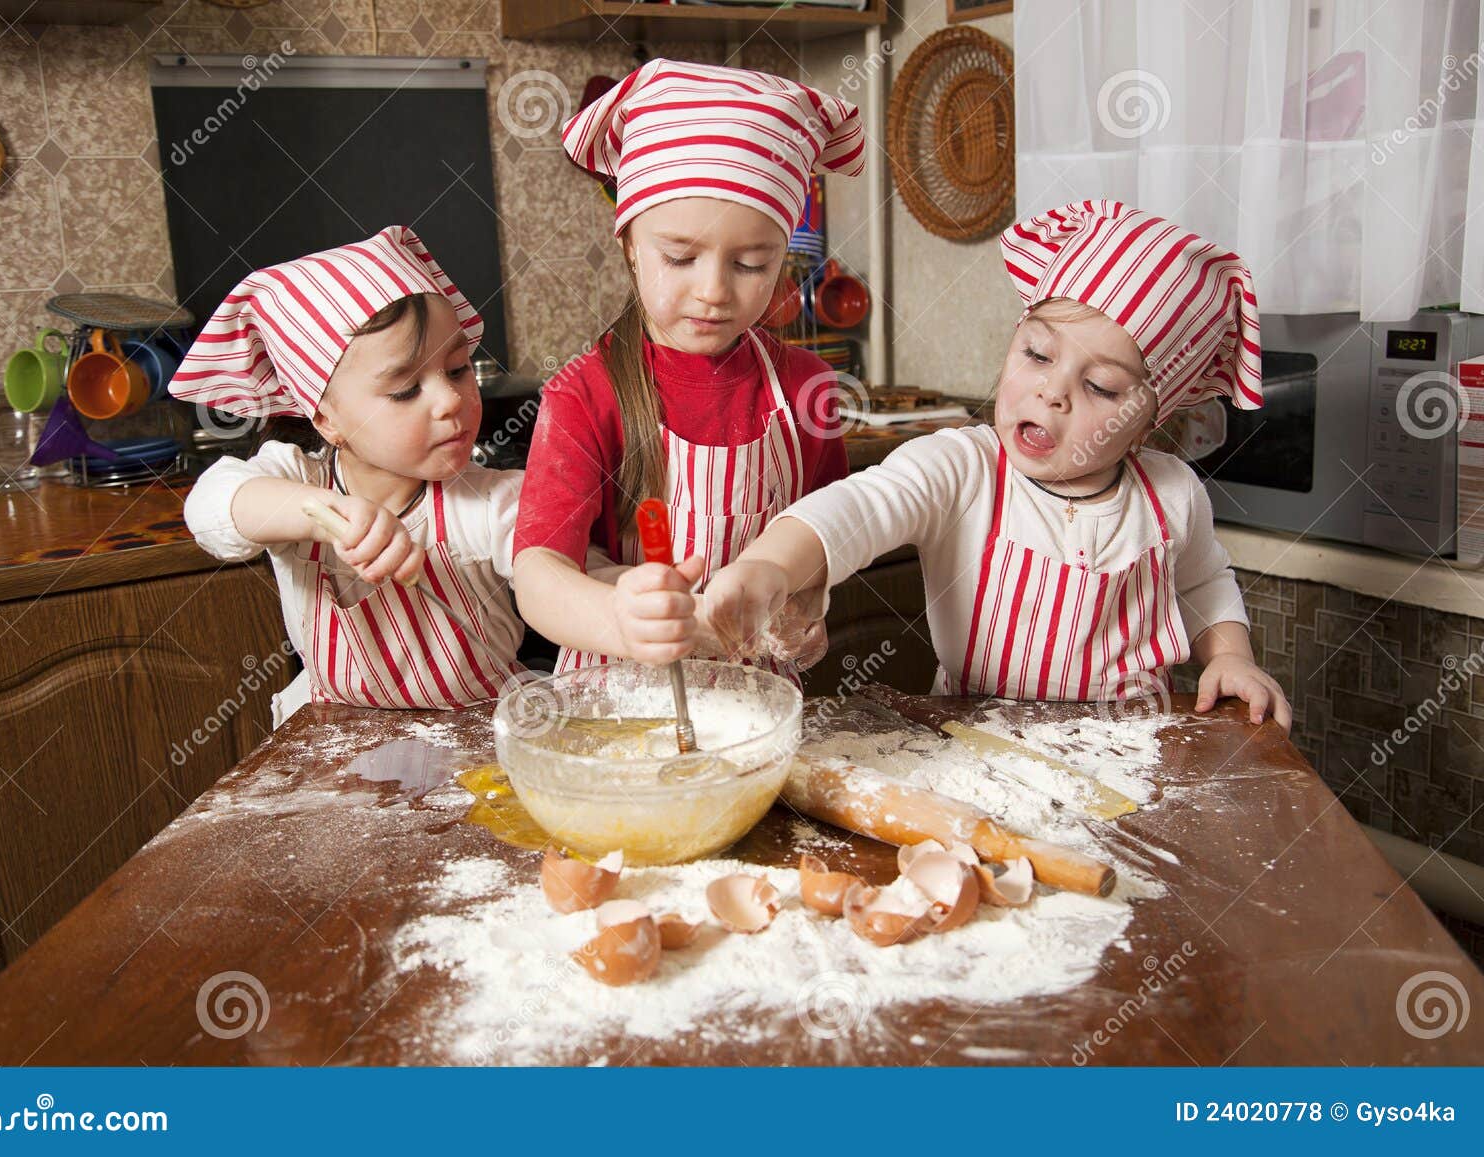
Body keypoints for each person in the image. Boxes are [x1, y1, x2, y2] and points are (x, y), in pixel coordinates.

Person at [701, 200, 1292, 730]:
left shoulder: (1172, 494)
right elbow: (862, 505)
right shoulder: (965, 468)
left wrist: (1231, 656)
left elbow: (1203, 583)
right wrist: (770, 566)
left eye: (1102, 387)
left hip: (1134, 752)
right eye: (1037, 354)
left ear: (1148, 422)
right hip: (975, 748)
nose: (1051, 393)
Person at [511, 59, 865, 677]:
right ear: (628, 245)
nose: (713, 292)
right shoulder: (584, 394)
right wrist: (619, 619)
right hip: (616, 700)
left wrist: (806, 606)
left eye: (751, 264)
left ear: (784, 256)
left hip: (758, 703)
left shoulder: (807, 387)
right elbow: (538, 576)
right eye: (680, 257)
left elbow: (824, 538)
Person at [175, 227, 524, 724]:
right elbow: (209, 509)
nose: (450, 401)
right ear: (326, 419)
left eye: (458, 368)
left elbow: (554, 574)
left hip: (485, 727)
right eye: (406, 390)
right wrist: (323, 516)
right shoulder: (299, 480)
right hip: (334, 734)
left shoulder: (489, 500)